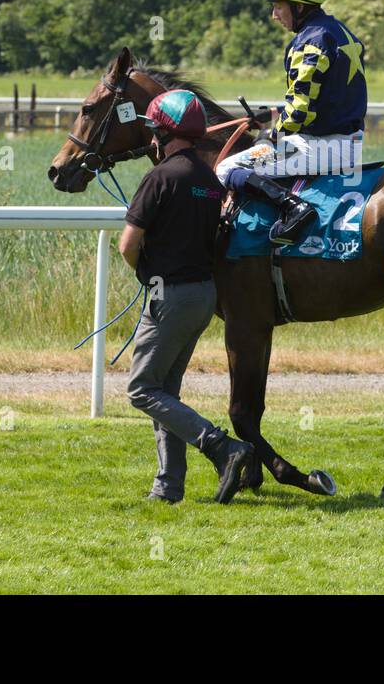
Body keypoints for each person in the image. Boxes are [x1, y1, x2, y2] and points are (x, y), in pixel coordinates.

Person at [120, 88, 255, 504]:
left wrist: (146, 270)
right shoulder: (209, 180)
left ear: (164, 132)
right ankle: (168, 487)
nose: (152, 139)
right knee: (165, 391)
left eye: (155, 131)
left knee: (141, 389)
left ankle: (221, 446)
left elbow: (128, 245)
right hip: (203, 297)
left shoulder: (159, 177)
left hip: (170, 298)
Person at [215, 0, 368, 245]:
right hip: (349, 140)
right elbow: (324, 96)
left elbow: (298, 113)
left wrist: (269, 134)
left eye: (278, 6)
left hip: (321, 147)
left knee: (225, 169)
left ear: (299, 7)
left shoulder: (309, 42)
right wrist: (272, 113)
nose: (274, 15)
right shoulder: (338, 31)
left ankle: (293, 208)